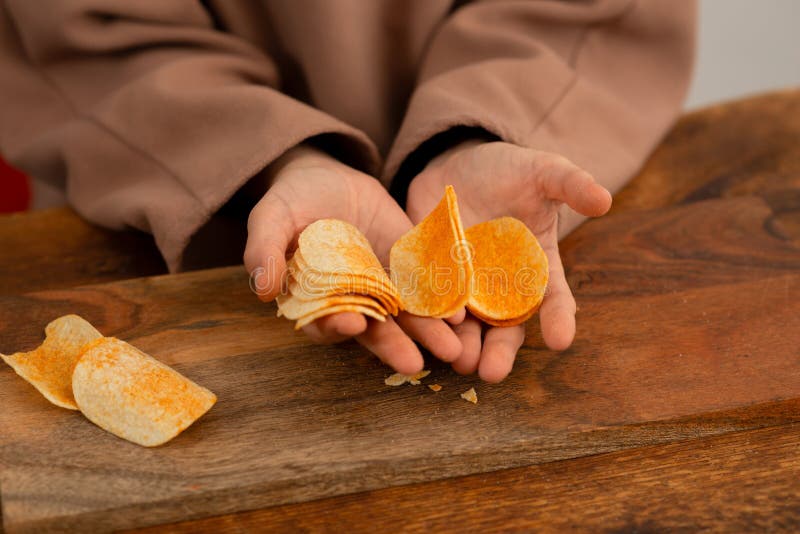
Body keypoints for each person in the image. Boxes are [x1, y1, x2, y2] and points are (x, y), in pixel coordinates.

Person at [0, 0, 696, 382]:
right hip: (159, 227)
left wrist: (481, 130)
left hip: (510, 146)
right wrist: (274, 157)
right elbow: (86, 28)